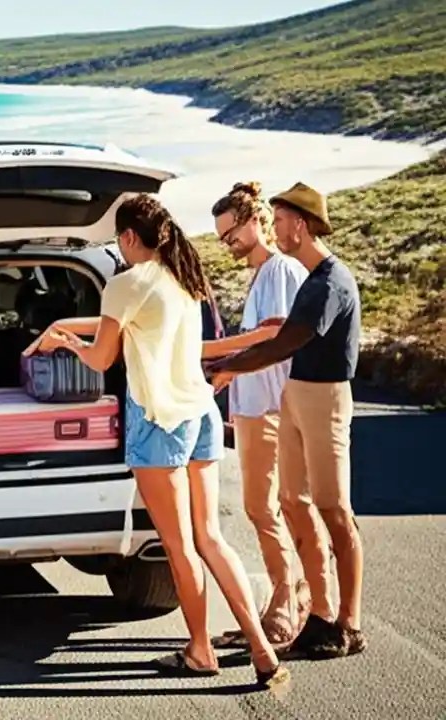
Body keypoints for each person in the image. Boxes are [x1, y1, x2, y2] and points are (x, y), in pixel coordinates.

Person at [28, 194, 289, 689]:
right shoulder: (182, 278)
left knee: (179, 545)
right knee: (210, 538)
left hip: (159, 420)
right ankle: (262, 649)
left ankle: (200, 651)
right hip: (200, 414)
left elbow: (102, 359)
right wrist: (250, 338)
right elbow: (189, 347)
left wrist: (67, 343)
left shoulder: (125, 284)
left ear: (129, 237)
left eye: (118, 240)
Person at [207, 182, 366, 659]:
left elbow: (281, 340)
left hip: (317, 398)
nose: (275, 229)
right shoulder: (308, 277)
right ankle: (318, 612)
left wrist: (223, 365)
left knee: (332, 509)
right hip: (294, 396)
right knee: (294, 502)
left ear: (299, 223)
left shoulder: (326, 280)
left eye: (278, 221)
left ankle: (343, 621)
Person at [201, 182, 311, 649]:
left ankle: (287, 603)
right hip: (255, 408)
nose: (228, 244)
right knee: (265, 507)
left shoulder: (280, 269)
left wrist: (222, 362)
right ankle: (289, 596)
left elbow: (276, 333)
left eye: (231, 235)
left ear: (254, 222)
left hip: (272, 407)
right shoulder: (261, 275)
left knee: (267, 507)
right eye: (222, 238)